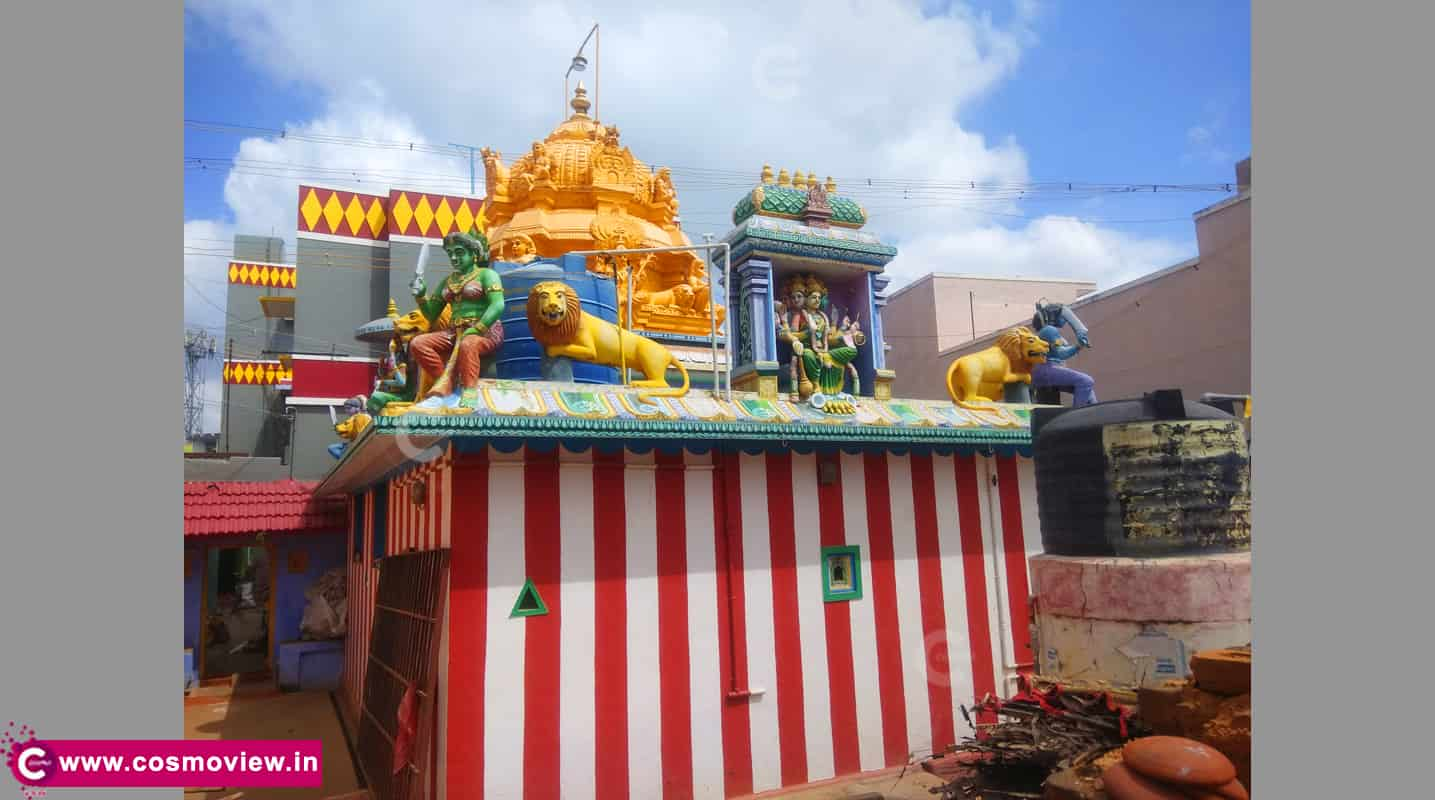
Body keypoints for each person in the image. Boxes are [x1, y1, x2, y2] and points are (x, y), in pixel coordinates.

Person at [409, 229, 506, 407]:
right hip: (454, 332)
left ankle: (469, 390)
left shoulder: (486, 275)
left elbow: (498, 305)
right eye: (451, 254)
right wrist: (421, 296)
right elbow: (432, 314)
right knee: (418, 343)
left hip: (485, 331)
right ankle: (445, 382)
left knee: (469, 343)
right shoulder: (447, 281)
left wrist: (479, 328)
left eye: (459, 253)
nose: (454, 258)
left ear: (474, 254)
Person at [1031, 324, 1097, 407]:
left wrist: (1078, 346)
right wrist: (1078, 346)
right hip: (1044, 370)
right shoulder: (1049, 331)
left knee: (1088, 391)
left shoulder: (1051, 333)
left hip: (1046, 370)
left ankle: (1094, 414)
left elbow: (1060, 349)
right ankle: (1077, 415)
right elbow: (1060, 353)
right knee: (1086, 381)